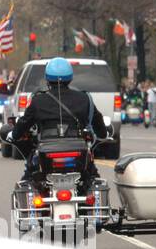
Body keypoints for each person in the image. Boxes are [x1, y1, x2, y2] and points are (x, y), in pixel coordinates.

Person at [9, 57, 110, 187]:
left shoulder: (38, 101)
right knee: (93, 178)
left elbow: (23, 124)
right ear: (71, 77)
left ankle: (27, 202)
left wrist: (13, 134)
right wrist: (103, 133)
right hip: (78, 150)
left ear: (47, 78)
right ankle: (95, 201)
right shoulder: (85, 99)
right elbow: (99, 126)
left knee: (28, 179)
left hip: (45, 150)